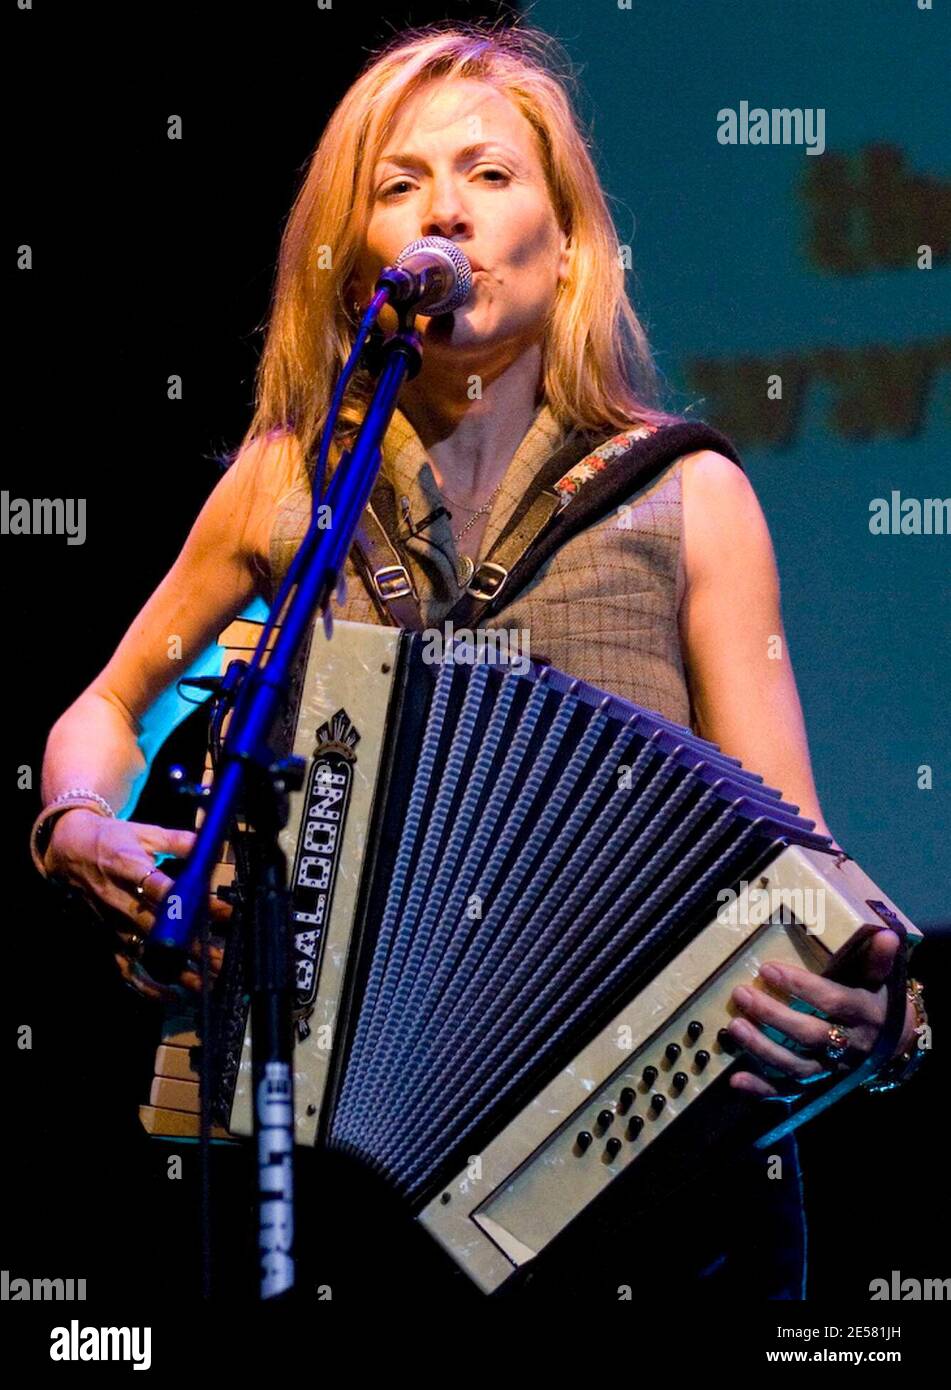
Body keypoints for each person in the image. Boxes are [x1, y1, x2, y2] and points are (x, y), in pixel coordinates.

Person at [30, 24, 924, 1300]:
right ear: (354, 265)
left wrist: (889, 1021)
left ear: (565, 251)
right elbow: (111, 708)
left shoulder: (690, 498)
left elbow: (801, 866)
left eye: (491, 175)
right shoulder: (284, 486)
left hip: (636, 1193)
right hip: (335, 1192)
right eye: (397, 185)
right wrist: (77, 821)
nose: (444, 207)